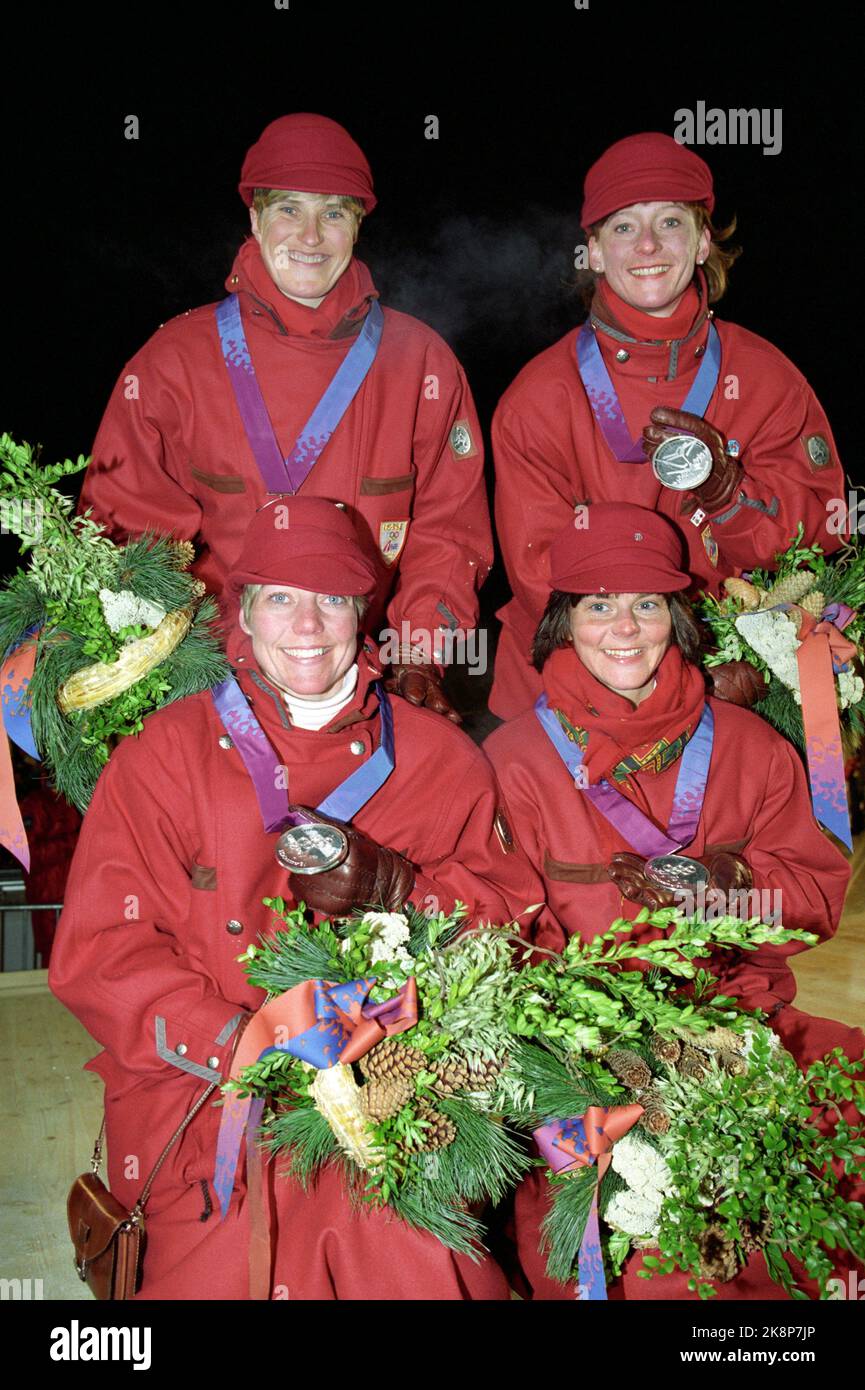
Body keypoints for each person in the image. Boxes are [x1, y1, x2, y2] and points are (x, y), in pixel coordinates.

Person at [49, 498, 542, 1300]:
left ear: (363, 613)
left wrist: (400, 888)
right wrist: (245, 1040)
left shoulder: (440, 760)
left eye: (332, 598)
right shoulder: (161, 755)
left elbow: (511, 921)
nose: (306, 625)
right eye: (279, 597)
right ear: (242, 614)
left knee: (418, 1267)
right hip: (204, 1090)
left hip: (389, 1093)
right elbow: (100, 955)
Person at [484, 504, 864, 1300]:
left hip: (737, 1032)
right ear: (563, 620)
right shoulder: (513, 758)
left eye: (646, 604)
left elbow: (813, 904)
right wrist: (590, 1046)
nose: (623, 628)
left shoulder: (751, 746)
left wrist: (730, 892)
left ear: (677, 618)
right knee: (640, 1263)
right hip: (581, 1060)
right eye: (597, 605)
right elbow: (495, 940)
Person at [79, 113, 493, 721]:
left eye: (333, 212)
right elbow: (128, 540)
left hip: (365, 675)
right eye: (288, 210)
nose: (311, 234)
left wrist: (418, 655)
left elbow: (447, 534)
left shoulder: (420, 361)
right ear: (254, 218)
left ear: (358, 224)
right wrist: (166, 667)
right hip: (210, 676)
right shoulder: (174, 360)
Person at [490, 131, 847, 718]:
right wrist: (684, 666)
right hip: (569, 698)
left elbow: (821, 535)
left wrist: (731, 496)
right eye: (624, 226)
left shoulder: (766, 377)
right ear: (596, 251)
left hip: (742, 682)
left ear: (705, 241)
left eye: (671, 222)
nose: (648, 244)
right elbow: (542, 577)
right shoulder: (540, 396)